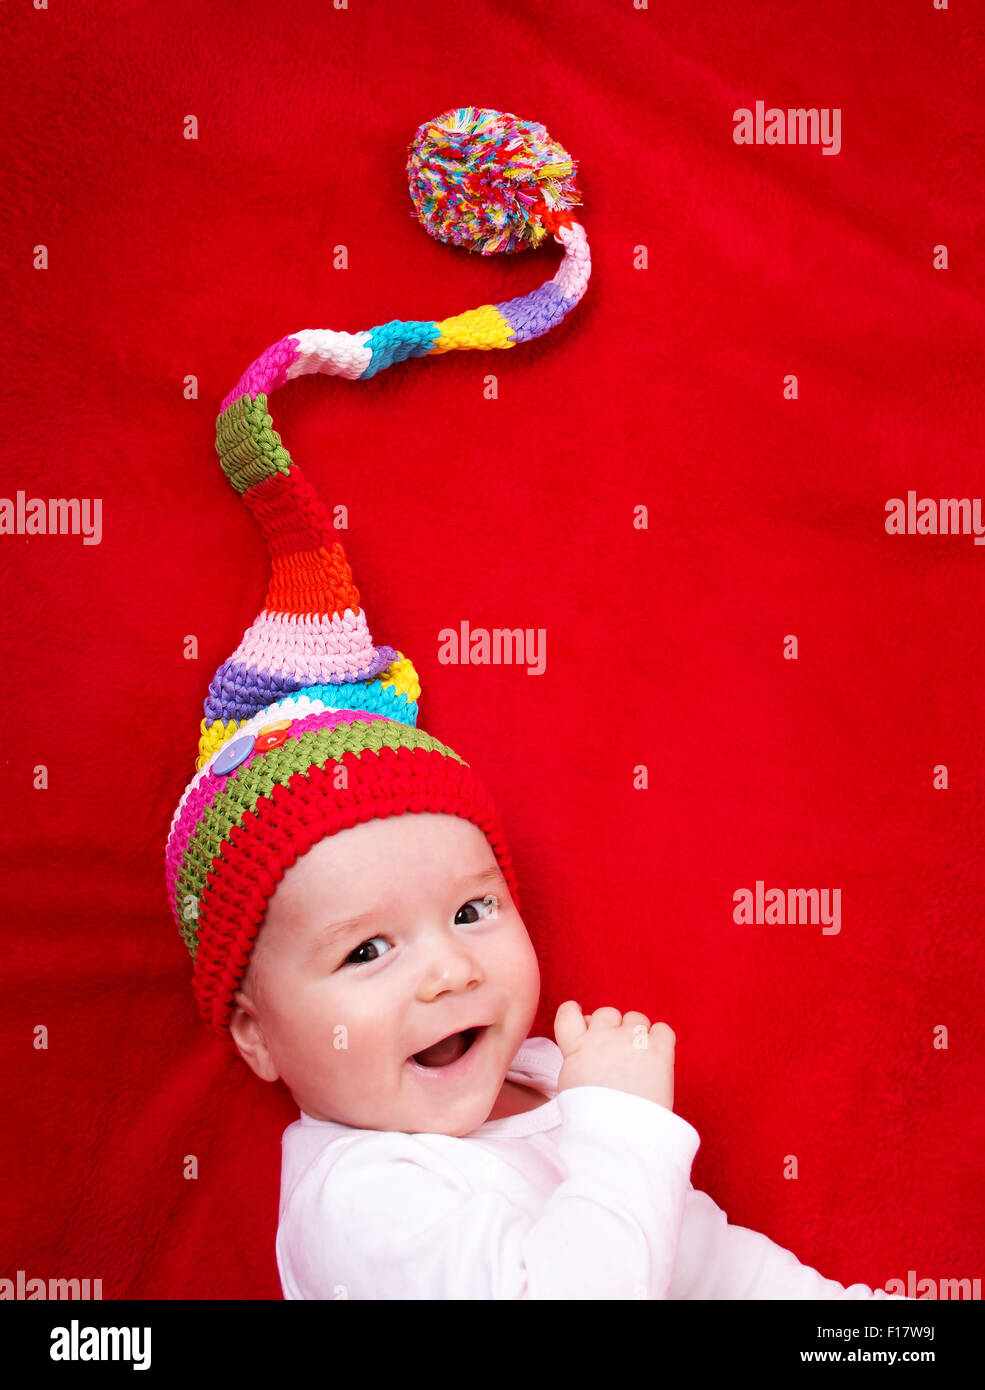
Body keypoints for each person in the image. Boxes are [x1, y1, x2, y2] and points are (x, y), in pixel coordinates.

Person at [165, 105, 908, 1301]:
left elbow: (714, 1262)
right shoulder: (368, 1197)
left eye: (472, 911)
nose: (451, 975)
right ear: (254, 1032)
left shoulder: (538, 1090)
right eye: (365, 948)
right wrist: (620, 1127)